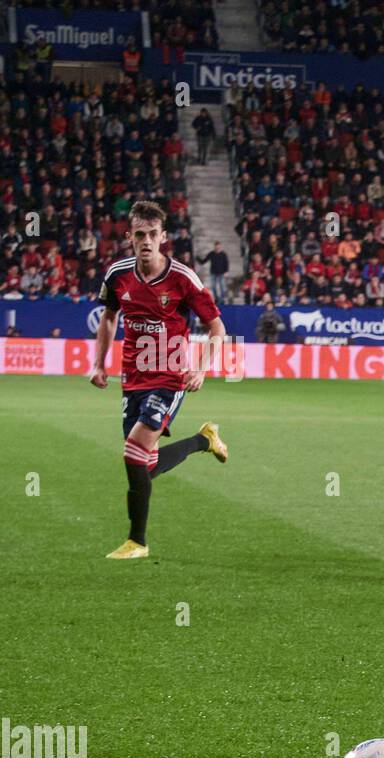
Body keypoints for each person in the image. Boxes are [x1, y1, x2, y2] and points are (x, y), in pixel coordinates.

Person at [90, 201, 228, 559]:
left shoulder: (184, 278)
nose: (147, 241)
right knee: (145, 465)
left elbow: (216, 327)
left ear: (163, 237)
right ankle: (204, 440)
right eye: (140, 234)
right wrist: (98, 363)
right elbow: (108, 318)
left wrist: (200, 368)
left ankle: (138, 541)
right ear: (130, 238)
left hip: (170, 376)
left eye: (153, 234)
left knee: (133, 452)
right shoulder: (117, 274)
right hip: (132, 378)